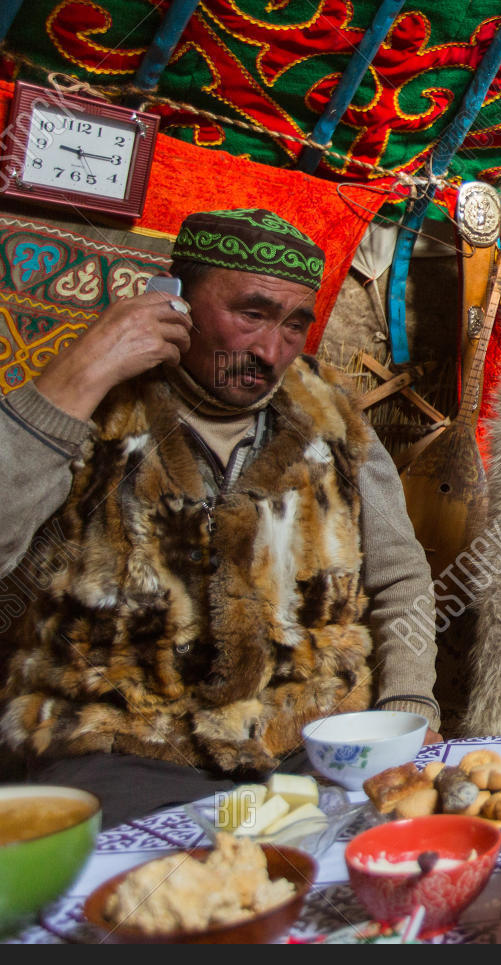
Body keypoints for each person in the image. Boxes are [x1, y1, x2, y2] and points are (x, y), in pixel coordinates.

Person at [0, 209, 439, 825]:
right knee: (145, 905)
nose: (270, 350)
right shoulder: (88, 405)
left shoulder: (333, 420)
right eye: (250, 314)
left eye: (293, 325)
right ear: (174, 303)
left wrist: (408, 705)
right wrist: (81, 376)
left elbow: (400, 579)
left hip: (311, 744)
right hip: (119, 752)